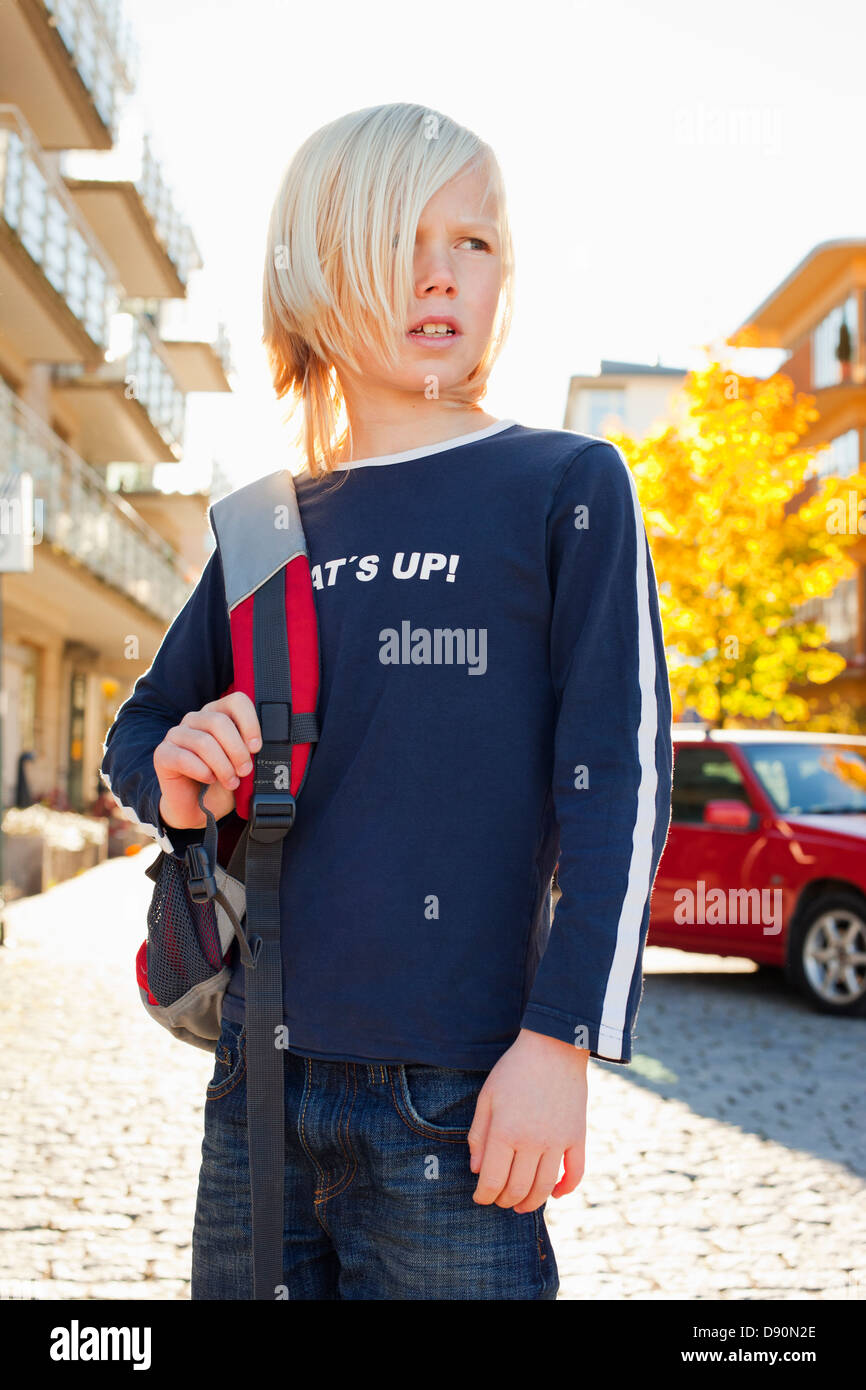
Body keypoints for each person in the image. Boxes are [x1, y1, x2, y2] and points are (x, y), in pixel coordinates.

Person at [100, 102, 673, 1301]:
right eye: (400, 236)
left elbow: (617, 780)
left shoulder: (565, 485)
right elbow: (139, 735)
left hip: (455, 1100)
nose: (440, 273)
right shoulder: (263, 524)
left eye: (474, 242)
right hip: (254, 1091)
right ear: (315, 268)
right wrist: (177, 768)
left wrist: (560, 1042)